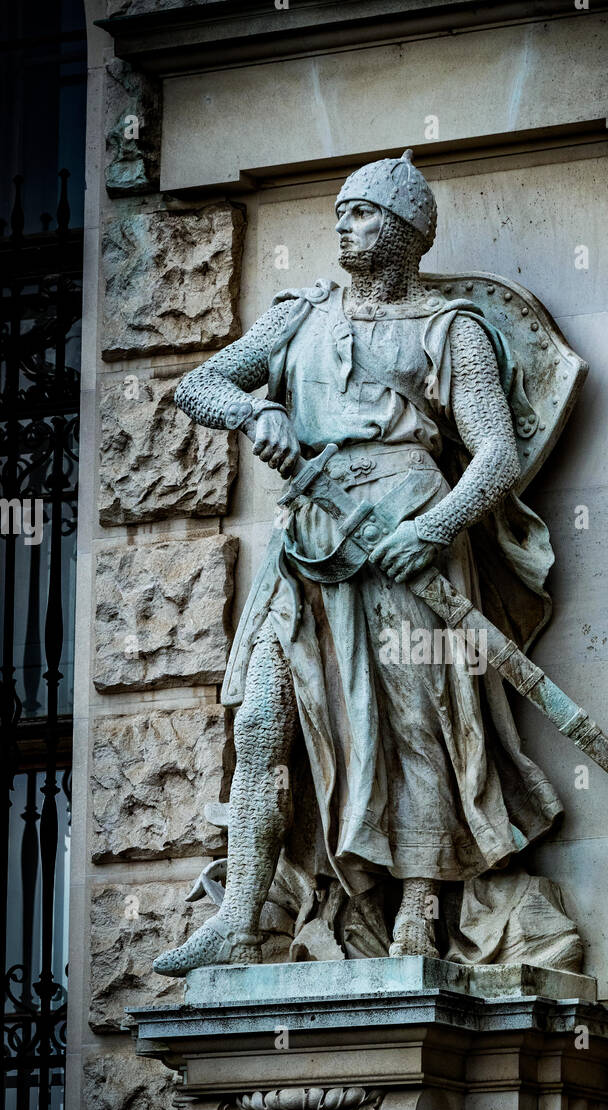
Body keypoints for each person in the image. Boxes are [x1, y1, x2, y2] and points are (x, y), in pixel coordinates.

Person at [153, 150, 566, 976]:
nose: (345, 223)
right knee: (263, 719)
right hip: (308, 547)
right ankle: (240, 915)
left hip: (404, 540)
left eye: (365, 211)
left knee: (419, 727)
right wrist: (258, 408)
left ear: (409, 229)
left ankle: (418, 901)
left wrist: (432, 527)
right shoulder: (299, 315)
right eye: (341, 211)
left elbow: (495, 453)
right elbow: (198, 386)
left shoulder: (451, 330)